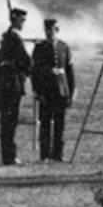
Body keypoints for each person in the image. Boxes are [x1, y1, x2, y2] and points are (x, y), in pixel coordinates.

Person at [31, 18, 75, 161]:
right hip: (46, 89)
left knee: (59, 123)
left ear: (57, 30)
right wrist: (37, 91)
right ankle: (44, 154)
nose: (50, 33)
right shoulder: (40, 47)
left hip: (61, 89)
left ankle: (58, 154)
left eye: (53, 30)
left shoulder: (64, 47)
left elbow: (69, 71)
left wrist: (72, 92)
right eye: (47, 30)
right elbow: (35, 72)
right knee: (45, 123)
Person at [0, 8, 32, 165]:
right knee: (10, 121)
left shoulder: (6, 37)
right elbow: (27, 60)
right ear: (15, 20)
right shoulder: (14, 37)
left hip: (5, 82)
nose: (23, 24)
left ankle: (7, 155)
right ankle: (9, 155)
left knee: (7, 122)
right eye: (21, 20)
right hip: (12, 83)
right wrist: (24, 72)